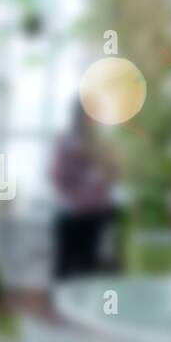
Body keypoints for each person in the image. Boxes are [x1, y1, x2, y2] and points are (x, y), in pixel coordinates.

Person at [51, 104, 118, 278]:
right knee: (65, 266)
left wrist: (99, 161)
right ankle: (61, 303)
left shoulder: (101, 143)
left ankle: (84, 302)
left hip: (94, 213)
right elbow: (57, 175)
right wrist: (79, 161)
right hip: (70, 212)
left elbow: (113, 173)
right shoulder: (65, 141)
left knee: (87, 265)